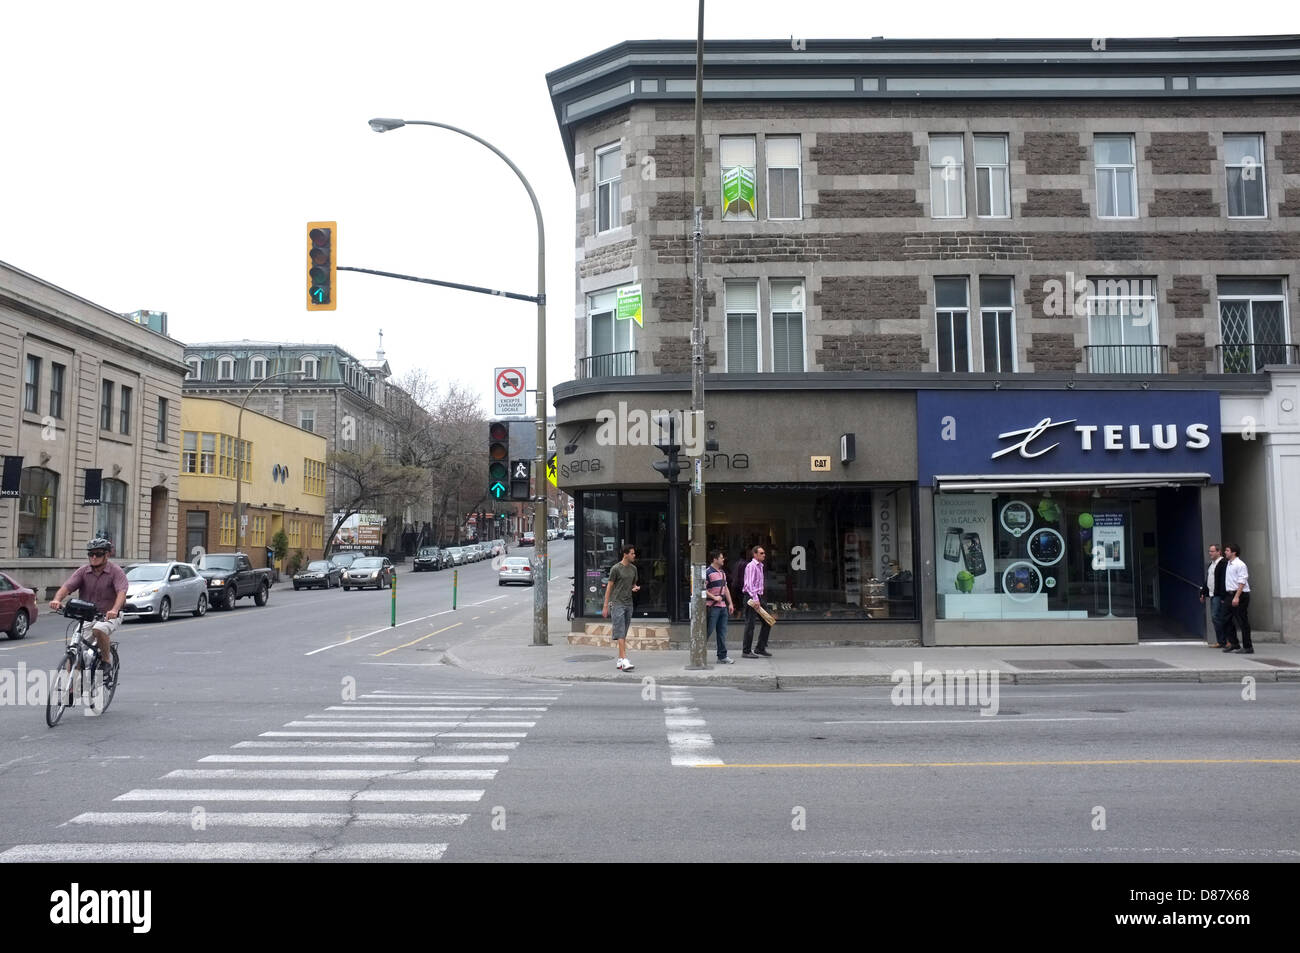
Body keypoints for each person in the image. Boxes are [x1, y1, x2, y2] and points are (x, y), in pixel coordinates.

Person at [48, 537, 127, 686]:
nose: (94, 557)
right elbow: (67, 587)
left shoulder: (116, 572)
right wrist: (57, 599)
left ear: (107, 555)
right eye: (91, 554)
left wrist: (115, 610)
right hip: (88, 615)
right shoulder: (83, 571)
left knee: (99, 629)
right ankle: (70, 688)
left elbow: (121, 592)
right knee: (74, 649)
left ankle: (106, 661)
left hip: (109, 614)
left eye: (98, 554)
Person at [601, 545, 640, 671]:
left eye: (634, 553)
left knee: (623, 632)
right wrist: (605, 606)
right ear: (625, 554)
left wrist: (635, 588)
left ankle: (619, 660)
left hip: (629, 603)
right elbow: (609, 587)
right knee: (620, 632)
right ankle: (624, 660)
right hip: (617, 603)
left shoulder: (634, 569)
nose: (634, 555)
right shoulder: (616, 569)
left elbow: (633, 584)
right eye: (632, 553)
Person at [1199, 543, 1235, 648]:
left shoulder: (1223, 563)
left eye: (1212, 551)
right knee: (1216, 617)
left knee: (1219, 617)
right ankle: (1222, 640)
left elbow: (1224, 581)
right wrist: (1203, 593)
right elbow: (1208, 580)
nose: (1210, 553)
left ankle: (1226, 640)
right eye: (1209, 551)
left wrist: (1224, 596)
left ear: (1219, 552)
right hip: (1212, 594)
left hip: (1219, 595)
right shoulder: (1212, 564)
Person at [704, 549, 736, 664]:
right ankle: (700, 653)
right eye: (721, 557)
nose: (723, 559)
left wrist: (730, 603)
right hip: (712, 607)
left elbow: (725, 588)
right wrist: (714, 597)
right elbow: (702, 588)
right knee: (707, 631)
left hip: (722, 607)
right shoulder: (708, 572)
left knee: (722, 632)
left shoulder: (722, 572)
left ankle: (722, 656)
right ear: (715, 559)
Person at [742, 544, 772, 658]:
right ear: (755, 554)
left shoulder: (760, 566)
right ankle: (746, 651)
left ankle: (760, 648)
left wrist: (759, 598)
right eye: (761, 553)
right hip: (751, 597)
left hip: (758, 597)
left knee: (768, 620)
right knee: (750, 624)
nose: (764, 555)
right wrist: (755, 599)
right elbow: (749, 585)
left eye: (764, 553)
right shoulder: (751, 566)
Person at [1222, 544, 1253, 654]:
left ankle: (1248, 646)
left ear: (1233, 552)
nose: (1225, 552)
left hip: (1240, 595)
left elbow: (1242, 581)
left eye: (1227, 550)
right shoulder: (1229, 564)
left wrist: (1236, 597)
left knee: (1242, 620)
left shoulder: (1240, 565)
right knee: (1225, 619)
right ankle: (1234, 643)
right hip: (1229, 594)